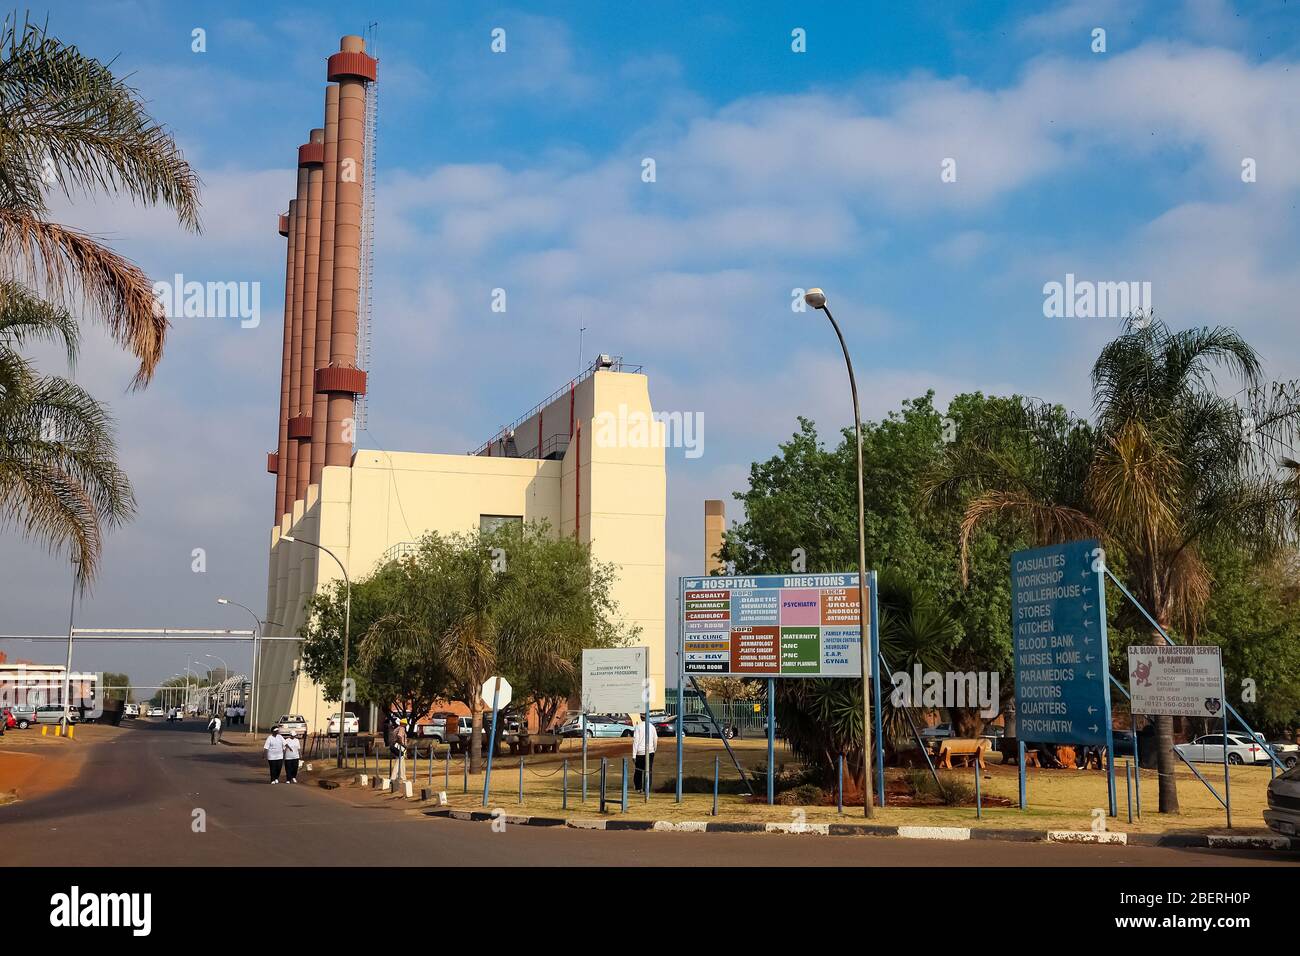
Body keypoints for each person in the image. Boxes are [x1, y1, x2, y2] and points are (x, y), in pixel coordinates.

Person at [632, 714, 657, 792]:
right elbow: (655, 739)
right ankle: (647, 788)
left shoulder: (638, 727)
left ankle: (638, 787)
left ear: (640, 717)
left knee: (638, 770)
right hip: (650, 751)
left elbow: (635, 741)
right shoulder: (652, 727)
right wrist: (654, 749)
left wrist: (634, 754)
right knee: (648, 770)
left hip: (640, 752)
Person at [389, 718, 407, 783]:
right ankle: (393, 777)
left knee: (402, 762)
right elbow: (399, 736)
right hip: (399, 746)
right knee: (399, 761)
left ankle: (403, 777)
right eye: (405, 724)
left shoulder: (396, 728)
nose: (405, 725)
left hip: (394, 746)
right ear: (403, 724)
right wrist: (403, 745)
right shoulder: (401, 728)